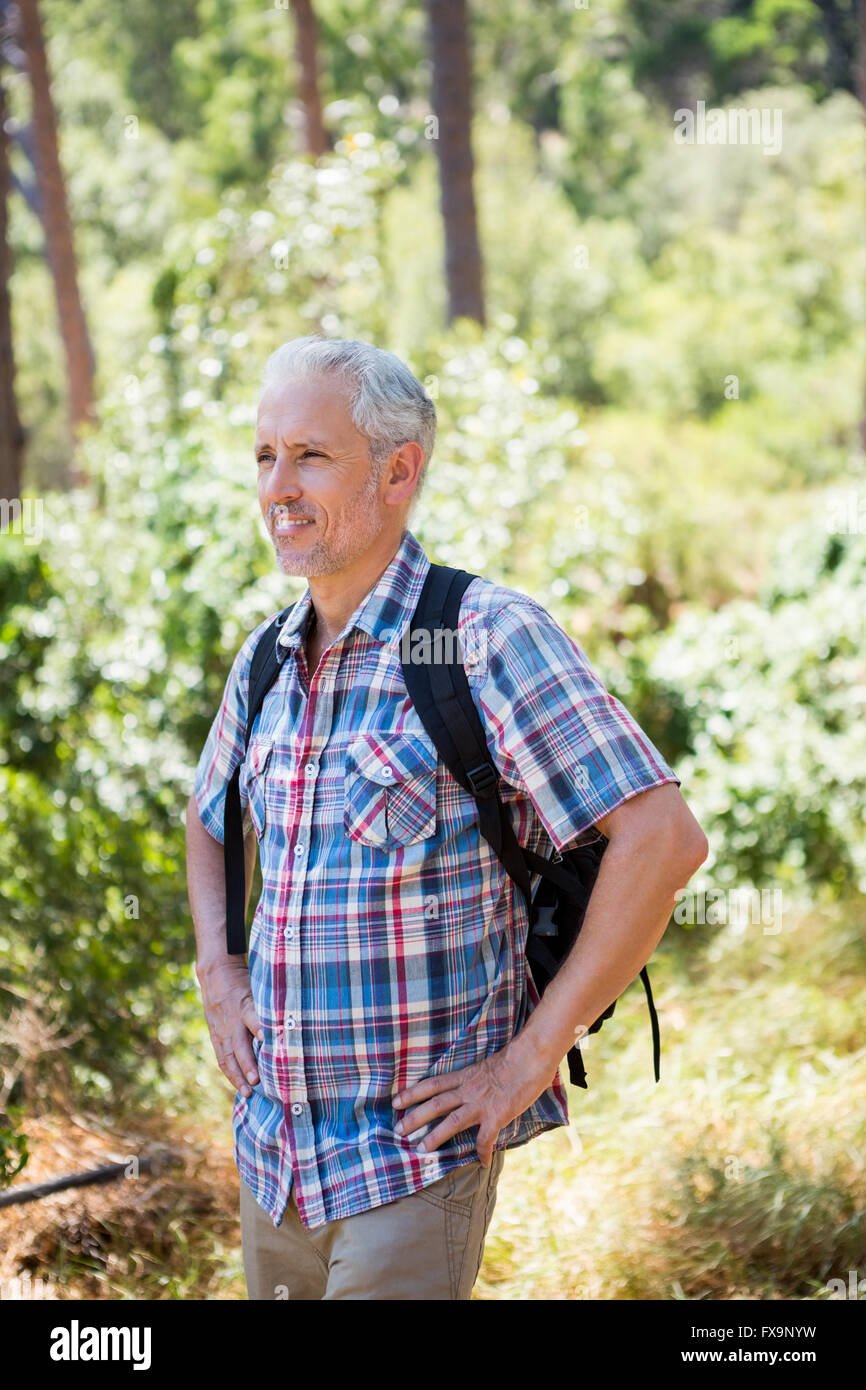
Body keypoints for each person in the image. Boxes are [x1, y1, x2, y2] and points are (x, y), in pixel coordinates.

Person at [185, 335, 708, 1301]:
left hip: (412, 1168)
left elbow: (663, 839)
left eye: (310, 455)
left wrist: (526, 1061)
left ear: (399, 472)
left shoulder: (483, 634)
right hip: (273, 1161)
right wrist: (217, 972)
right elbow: (208, 816)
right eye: (265, 455)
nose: (277, 487)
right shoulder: (266, 658)